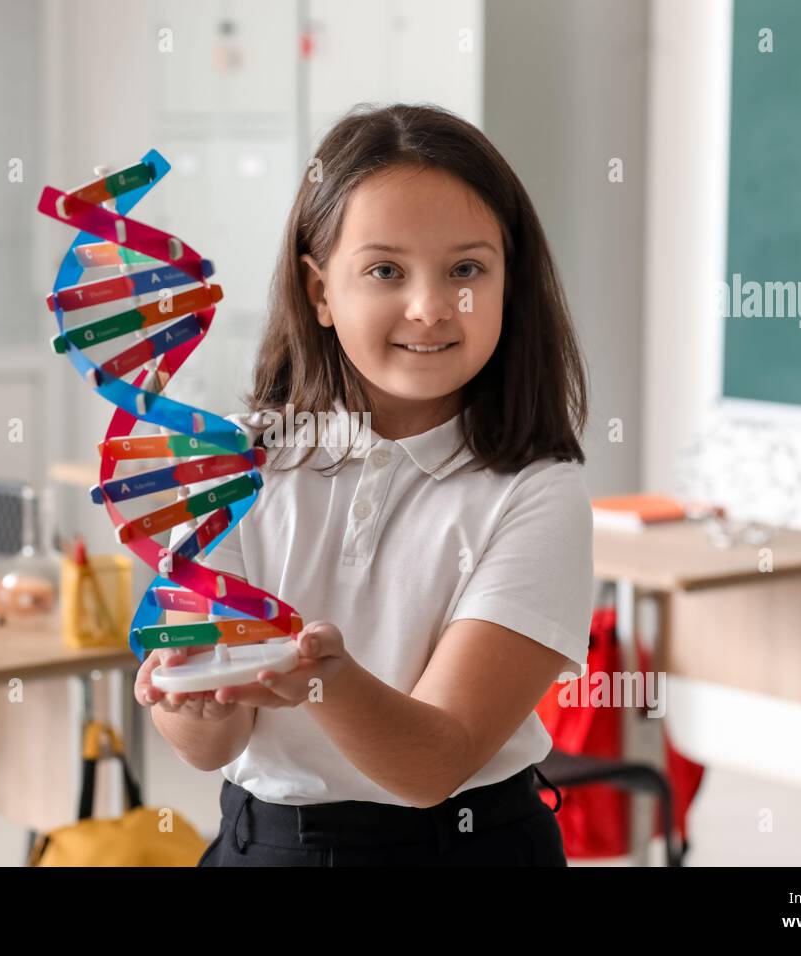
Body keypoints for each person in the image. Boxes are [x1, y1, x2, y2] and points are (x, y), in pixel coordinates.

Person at [135, 103, 593, 866]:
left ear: (509, 284)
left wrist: (326, 679)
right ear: (319, 292)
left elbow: (435, 765)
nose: (430, 307)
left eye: (467, 270)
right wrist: (192, 699)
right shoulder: (235, 461)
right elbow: (209, 746)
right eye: (385, 271)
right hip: (266, 844)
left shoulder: (537, 492)